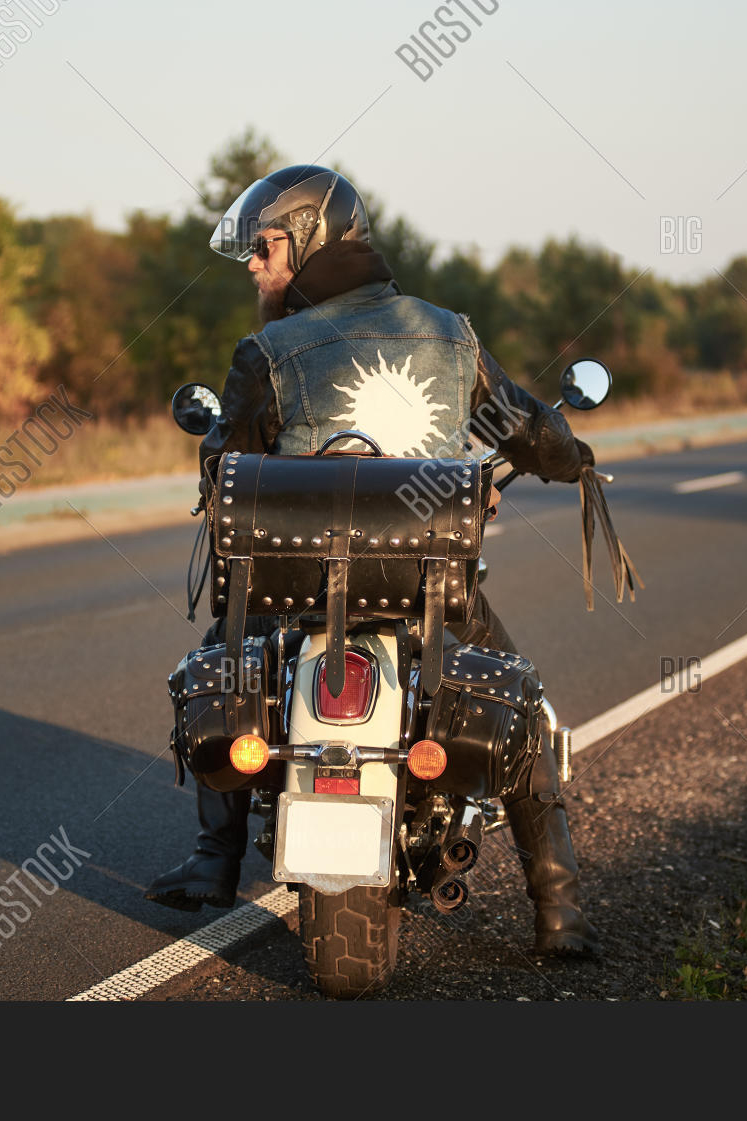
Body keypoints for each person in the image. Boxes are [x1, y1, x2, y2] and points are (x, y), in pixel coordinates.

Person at [145, 165, 600, 956]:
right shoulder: (446, 335)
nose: (252, 264)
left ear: (312, 239)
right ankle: (559, 913)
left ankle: (215, 860)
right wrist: (573, 455)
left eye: (263, 247)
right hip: (427, 590)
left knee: (227, 651)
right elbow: (526, 430)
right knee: (522, 705)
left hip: (291, 591)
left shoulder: (266, 351)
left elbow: (222, 475)